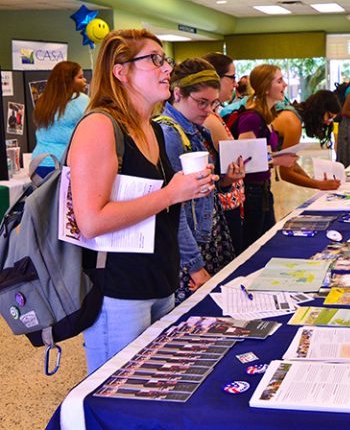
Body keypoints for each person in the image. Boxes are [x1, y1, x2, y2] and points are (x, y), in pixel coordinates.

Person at [67, 29, 214, 373]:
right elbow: (90, 220)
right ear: (121, 71)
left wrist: (189, 190)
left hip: (160, 280)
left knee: (151, 387)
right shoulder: (100, 126)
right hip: (118, 289)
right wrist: (171, 193)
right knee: (116, 392)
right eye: (155, 60)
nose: (167, 69)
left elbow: (160, 207)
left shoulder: (153, 128)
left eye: (166, 60)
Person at [156, 57, 245, 303]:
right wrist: (194, 263)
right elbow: (175, 209)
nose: (207, 110)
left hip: (209, 233)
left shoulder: (198, 129)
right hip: (191, 244)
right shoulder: (169, 134)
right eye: (201, 102)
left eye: (212, 104)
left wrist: (226, 179)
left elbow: (202, 192)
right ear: (177, 94)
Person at [236, 64, 298, 247]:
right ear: (265, 87)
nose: (285, 85)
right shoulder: (251, 118)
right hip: (252, 192)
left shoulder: (266, 116)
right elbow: (244, 161)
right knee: (255, 245)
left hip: (263, 189)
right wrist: (279, 160)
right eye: (279, 81)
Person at [202, 52, 246, 252]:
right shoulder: (210, 119)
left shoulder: (215, 115)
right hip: (224, 205)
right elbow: (235, 158)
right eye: (232, 77)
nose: (235, 84)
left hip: (229, 200)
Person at [271, 90, 343, 190]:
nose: (328, 123)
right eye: (329, 117)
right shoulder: (293, 123)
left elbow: (291, 164)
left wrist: (315, 182)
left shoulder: (295, 115)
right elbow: (286, 173)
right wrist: (319, 185)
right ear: (320, 110)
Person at [31, 60, 89, 178]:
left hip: (38, 163)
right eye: (80, 77)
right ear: (69, 80)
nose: (85, 80)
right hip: (63, 163)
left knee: (45, 197)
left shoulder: (43, 101)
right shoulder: (80, 100)